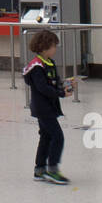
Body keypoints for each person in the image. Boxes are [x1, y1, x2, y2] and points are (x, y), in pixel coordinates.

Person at [25, 29, 71, 184]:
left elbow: (54, 82)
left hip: (49, 106)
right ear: (45, 47)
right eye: (53, 46)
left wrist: (64, 86)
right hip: (43, 108)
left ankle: (39, 169)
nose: (55, 49)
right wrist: (61, 93)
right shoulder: (37, 66)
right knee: (57, 136)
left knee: (46, 136)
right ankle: (52, 168)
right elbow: (43, 88)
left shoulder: (49, 63)